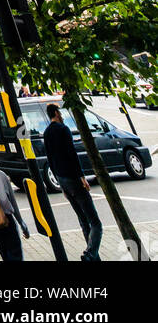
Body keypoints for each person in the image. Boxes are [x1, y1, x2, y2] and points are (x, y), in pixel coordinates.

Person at [43, 104, 102, 261]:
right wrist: (82, 177)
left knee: (83, 221)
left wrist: (60, 184)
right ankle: (90, 254)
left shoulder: (47, 133)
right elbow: (72, 154)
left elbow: (50, 159)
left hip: (62, 179)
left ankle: (94, 258)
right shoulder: (63, 129)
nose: (61, 115)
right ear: (56, 113)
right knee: (95, 223)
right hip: (73, 178)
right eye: (60, 113)